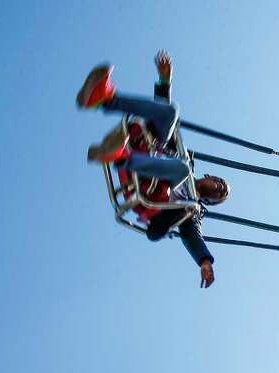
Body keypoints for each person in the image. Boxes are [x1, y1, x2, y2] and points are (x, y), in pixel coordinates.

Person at [77, 51, 230, 288]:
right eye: (220, 183)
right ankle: (104, 99)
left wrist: (204, 260)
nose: (219, 187)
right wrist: (164, 81)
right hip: (147, 152)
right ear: (208, 175)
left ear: (209, 202)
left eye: (220, 194)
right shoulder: (182, 158)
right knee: (171, 111)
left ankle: (121, 158)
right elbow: (164, 122)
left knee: (181, 171)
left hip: (151, 192)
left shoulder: (191, 209)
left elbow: (192, 236)